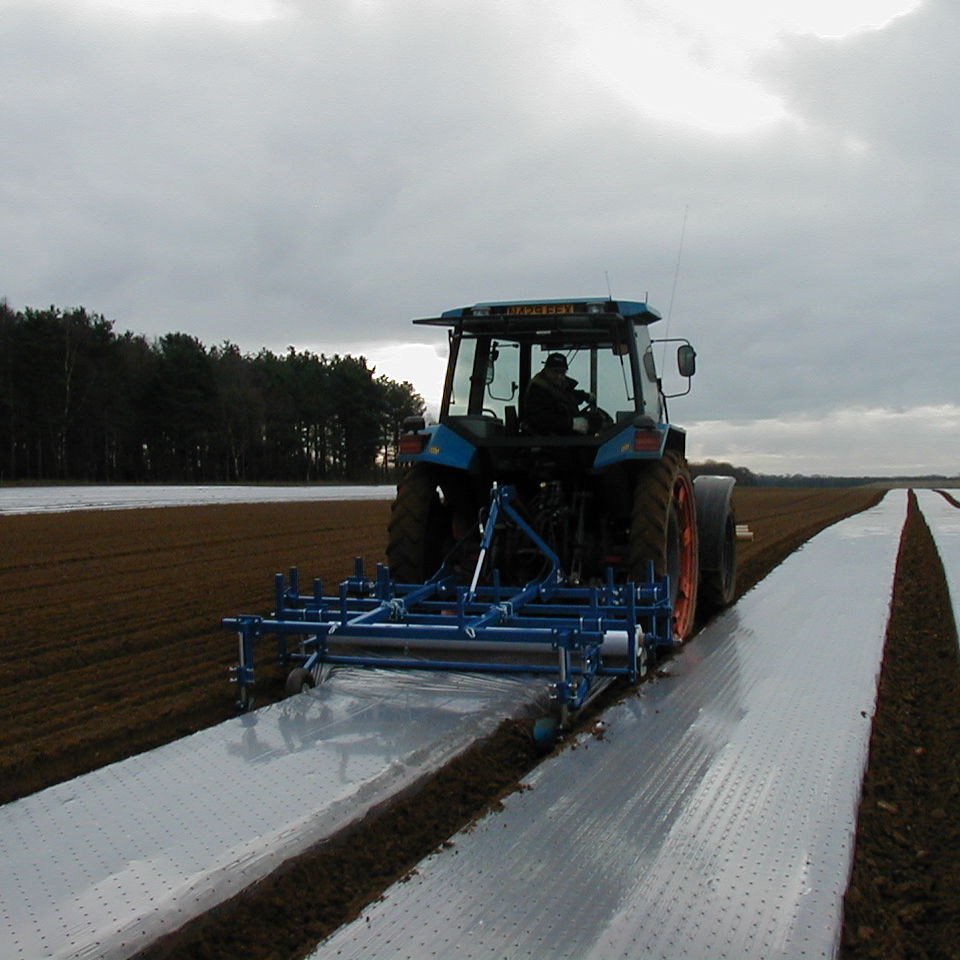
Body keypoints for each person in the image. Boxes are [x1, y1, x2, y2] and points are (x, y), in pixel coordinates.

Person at [523, 352, 592, 434]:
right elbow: (540, 419)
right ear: (546, 370)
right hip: (549, 440)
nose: (559, 376)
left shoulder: (559, 387)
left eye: (562, 372)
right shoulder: (537, 391)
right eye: (555, 372)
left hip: (564, 437)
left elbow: (569, 396)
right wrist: (572, 424)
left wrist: (586, 396)